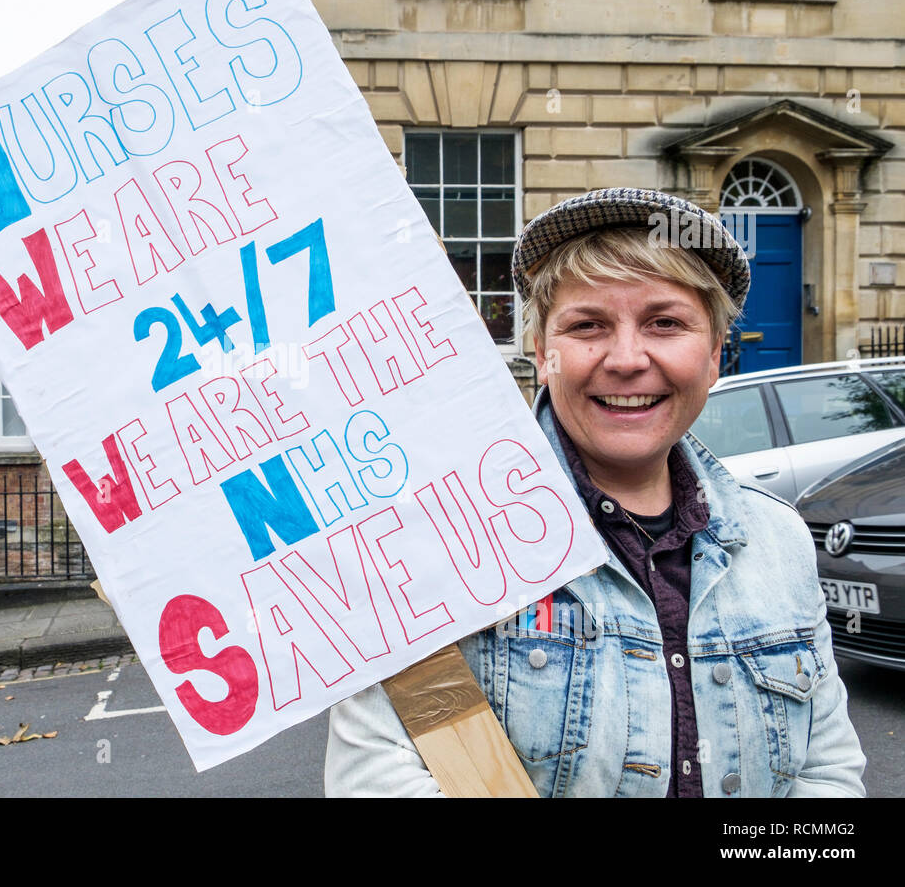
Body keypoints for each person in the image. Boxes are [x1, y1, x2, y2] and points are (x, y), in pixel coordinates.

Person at [324, 188, 866, 797]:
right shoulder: (437, 538)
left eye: (665, 323)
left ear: (714, 355)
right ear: (543, 353)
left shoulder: (779, 541)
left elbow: (828, 777)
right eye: (588, 326)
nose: (628, 359)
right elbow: (383, 778)